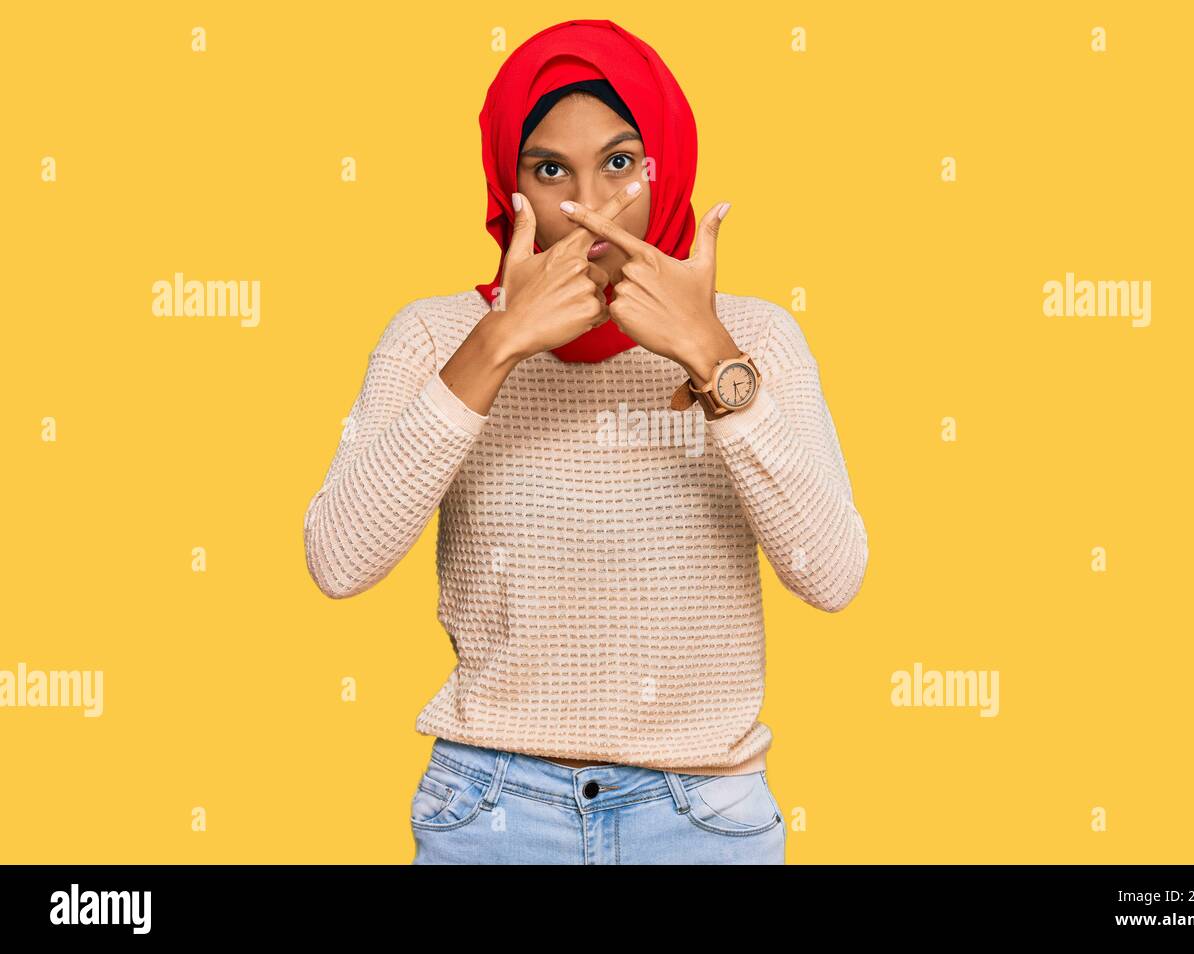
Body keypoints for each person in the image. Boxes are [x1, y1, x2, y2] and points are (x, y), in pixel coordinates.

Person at [302, 18, 868, 864]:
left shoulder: (755, 337)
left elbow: (833, 575)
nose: (589, 206)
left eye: (619, 161)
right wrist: (495, 345)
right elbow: (338, 561)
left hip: (701, 815)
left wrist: (711, 358)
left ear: (662, 165)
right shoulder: (436, 336)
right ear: (511, 185)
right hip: (490, 810)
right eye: (549, 169)